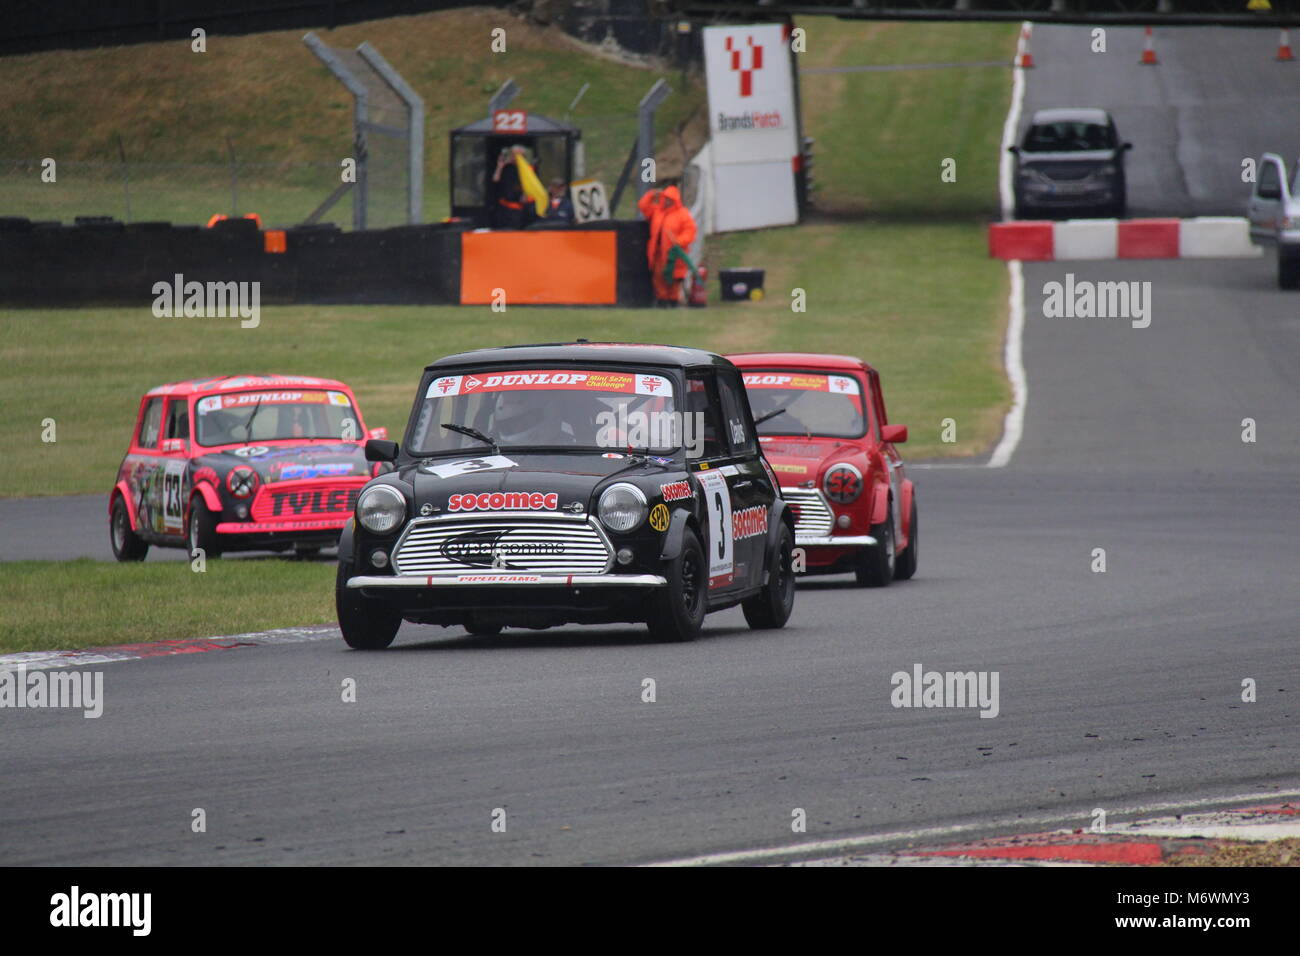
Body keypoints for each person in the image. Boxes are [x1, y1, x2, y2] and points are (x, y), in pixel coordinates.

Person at [636, 183, 698, 306]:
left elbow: (690, 232)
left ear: (675, 200)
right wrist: (651, 195)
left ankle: (673, 302)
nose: (667, 201)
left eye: (670, 199)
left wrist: (679, 241)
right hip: (658, 254)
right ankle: (662, 303)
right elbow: (643, 206)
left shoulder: (683, 214)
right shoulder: (657, 211)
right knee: (659, 281)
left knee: (674, 281)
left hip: (675, 256)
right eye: (666, 198)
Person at [490, 146, 531, 229]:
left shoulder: (527, 169)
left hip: (518, 209)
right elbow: (495, 180)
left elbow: (529, 186)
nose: (515, 157)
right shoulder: (506, 167)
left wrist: (525, 195)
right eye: (514, 155)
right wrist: (500, 166)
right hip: (503, 208)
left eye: (519, 155)